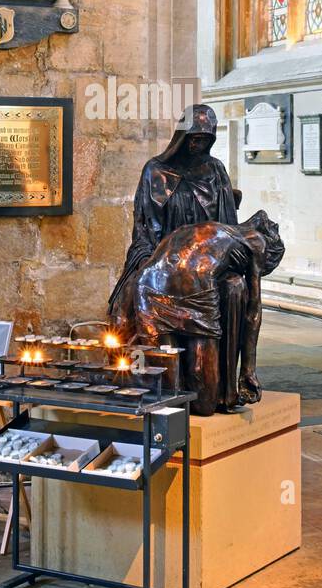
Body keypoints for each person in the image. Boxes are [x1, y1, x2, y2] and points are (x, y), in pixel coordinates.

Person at [133, 212, 285, 417]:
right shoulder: (256, 241)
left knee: (167, 388)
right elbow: (253, 311)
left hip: (147, 286)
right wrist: (248, 370)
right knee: (203, 404)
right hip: (193, 294)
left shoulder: (206, 229)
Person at [108, 105, 241, 334]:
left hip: (206, 262)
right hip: (164, 260)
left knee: (235, 288)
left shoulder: (215, 170)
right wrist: (151, 262)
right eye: (191, 138)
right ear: (181, 136)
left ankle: (231, 367)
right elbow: (144, 227)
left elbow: (227, 228)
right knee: (132, 301)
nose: (195, 145)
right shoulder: (155, 170)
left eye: (202, 139)